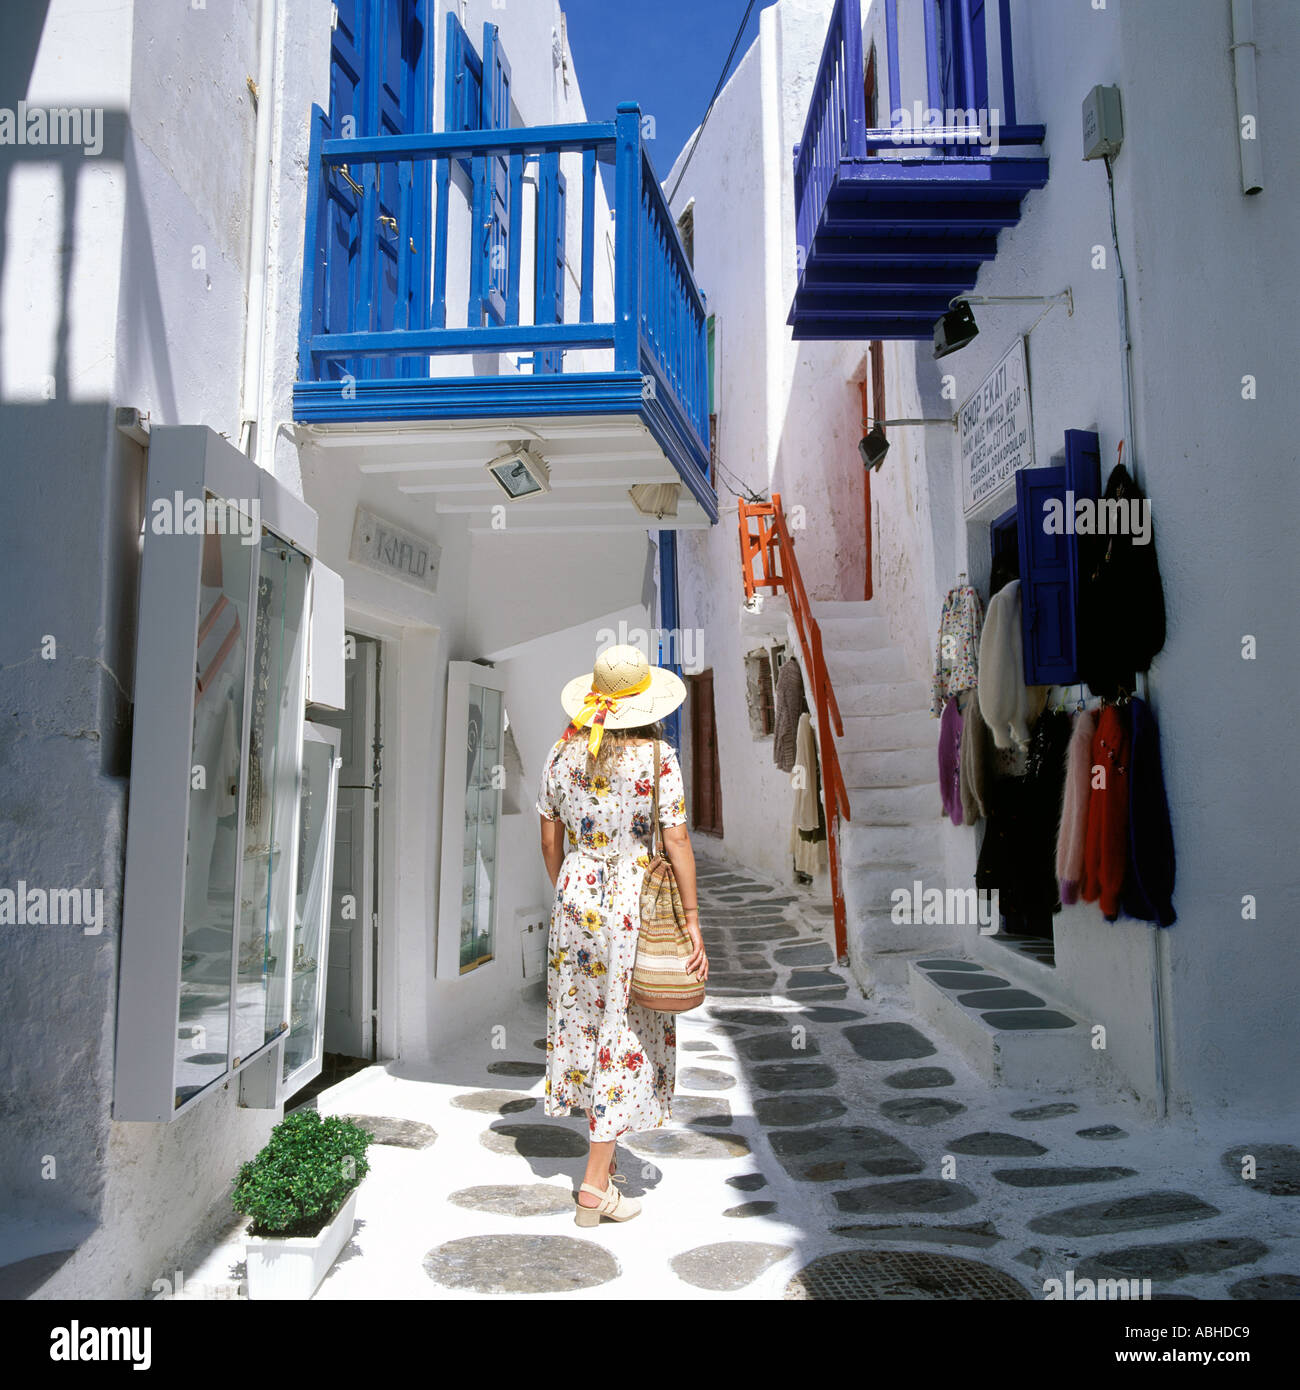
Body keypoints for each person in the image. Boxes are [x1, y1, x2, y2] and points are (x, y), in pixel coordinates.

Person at [535, 644, 708, 1227]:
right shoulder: (659, 758)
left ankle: (601, 1164)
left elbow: (548, 840)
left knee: (583, 1020)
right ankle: (592, 1183)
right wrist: (692, 919)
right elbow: (677, 841)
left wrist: (572, 889)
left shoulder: (562, 753)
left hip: (574, 898)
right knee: (622, 1027)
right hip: (633, 903)